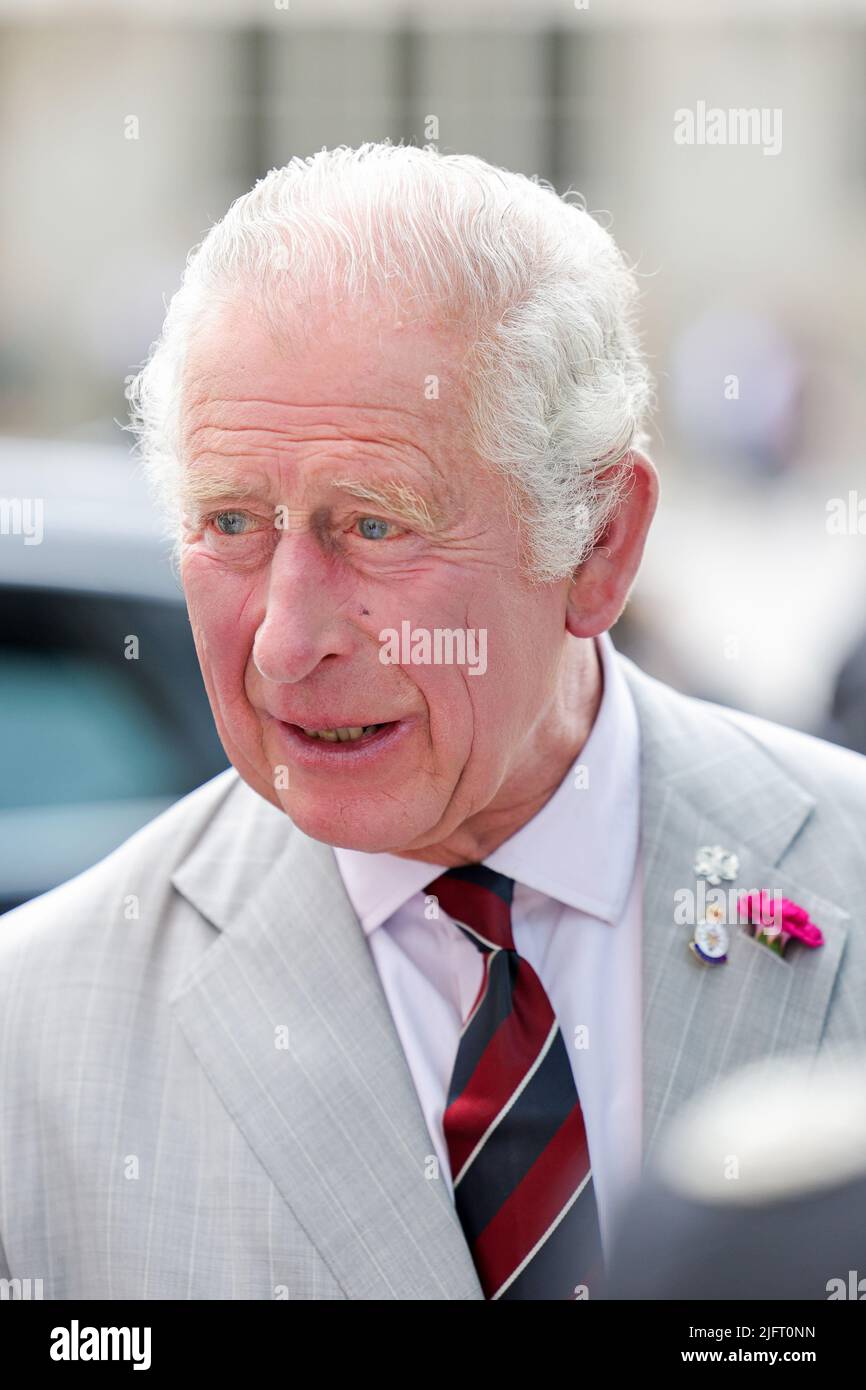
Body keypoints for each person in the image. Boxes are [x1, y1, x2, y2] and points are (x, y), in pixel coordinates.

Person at [1, 142, 864, 1301]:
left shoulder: (839, 882)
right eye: (230, 522)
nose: (283, 641)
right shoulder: (35, 1039)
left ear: (598, 541)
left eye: (373, 526)